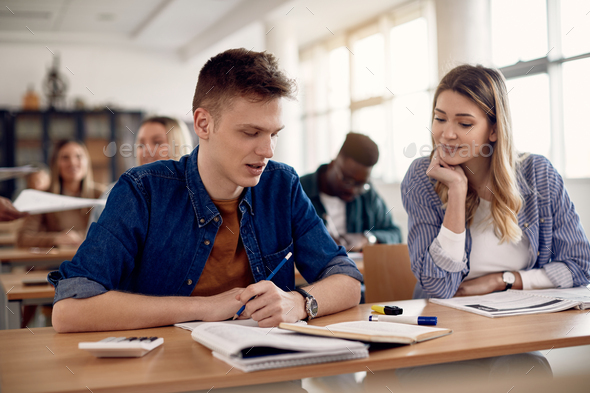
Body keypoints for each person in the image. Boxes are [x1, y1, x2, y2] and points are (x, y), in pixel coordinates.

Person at [49, 48, 362, 333]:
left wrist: (299, 303)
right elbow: (69, 311)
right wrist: (205, 308)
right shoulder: (143, 191)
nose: (267, 150)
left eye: (274, 134)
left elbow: (347, 279)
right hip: (168, 373)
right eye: (251, 132)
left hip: (265, 368)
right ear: (202, 124)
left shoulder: (282, 186)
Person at [401, 64, 590, 299]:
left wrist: (503, 281)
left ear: (494, 130)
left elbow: (580, 266)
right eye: (440, 118)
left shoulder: (538, 174)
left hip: (518, 315)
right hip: (448, 320)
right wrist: (457, 192)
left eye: (464, 124)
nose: (446, 134)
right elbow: (438, 288)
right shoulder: (422, 177)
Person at [300, 132, 401, 251]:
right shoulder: (298, 190)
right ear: (333, 163)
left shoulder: (368, 195)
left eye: (361, 184)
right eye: (347, 180)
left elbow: (395, 234)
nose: (353, 190)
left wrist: (367, 239)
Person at [88, 115, 194, 226]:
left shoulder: (194, 195)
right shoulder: (114, 192)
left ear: (178, 145)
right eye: (141, 144)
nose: (146, 150)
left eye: (157, 142)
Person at [17, 140, 104, 248]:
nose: (72, 162)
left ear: (87, 162)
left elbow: (114, 232)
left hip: (92, 261)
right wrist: (57, 238)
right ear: (55, 163)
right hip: (56, 263)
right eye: (65, 157)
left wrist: (81, 236)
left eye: (79, 156)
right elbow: (23, 239)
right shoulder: (42, 197)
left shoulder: (101, 195)